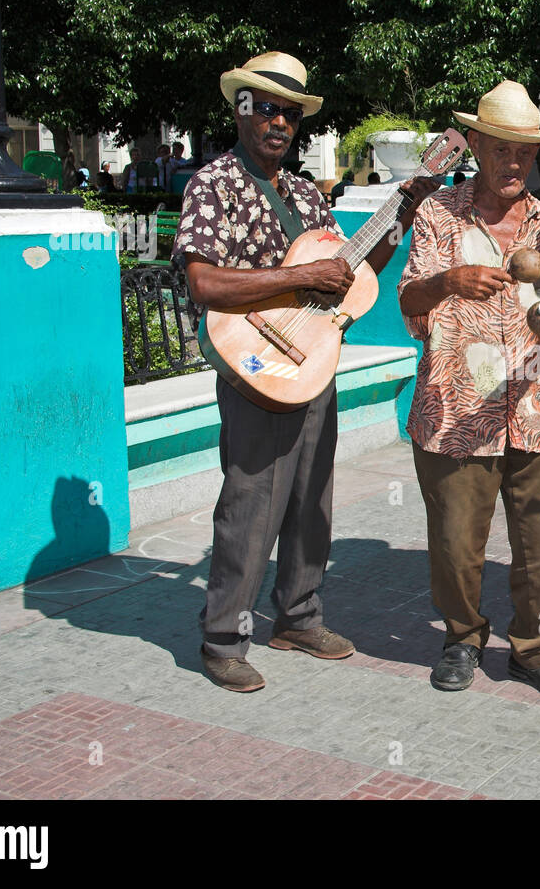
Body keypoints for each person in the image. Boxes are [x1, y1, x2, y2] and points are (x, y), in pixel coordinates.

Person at [173, 51, 438, 691]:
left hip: (312, 361)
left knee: (311, 500)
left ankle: (296, 614)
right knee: (249, 504)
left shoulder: (302, 193)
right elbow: (203, 281)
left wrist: (405, 209)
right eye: (266, 108)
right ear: (241, 110)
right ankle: (222, 639)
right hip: (254, 361)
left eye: (290, 113)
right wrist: (299, 277)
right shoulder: (214, 184)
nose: (278, 122)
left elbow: (349, 268)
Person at [399, 81, 540, 699]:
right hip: (454, 408)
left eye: (524, 152)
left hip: (535, 409)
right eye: (502, 147)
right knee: (456, 542)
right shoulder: (436, 214)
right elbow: (409, 303)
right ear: (476, 143)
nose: (513, 162)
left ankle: (535, 650)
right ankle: (461, 638)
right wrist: (447, 282)